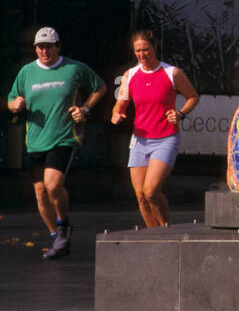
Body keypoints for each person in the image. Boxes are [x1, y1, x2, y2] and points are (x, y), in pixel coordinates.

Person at [6, 27, 106, 259]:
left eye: (49, 46)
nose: (44, 50)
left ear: (58, 46)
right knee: (40, 193)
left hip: (63, 137)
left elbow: (99, 87)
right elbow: (12, 99)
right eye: (40, 46)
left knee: (52, 185)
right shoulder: (27, 72)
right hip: (35, 141)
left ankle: (63, 224)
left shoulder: (74, 68)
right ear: (35, 49)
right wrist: (15, 104)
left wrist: (85, 109)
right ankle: (57, 238)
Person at [112, 30, 200, 227]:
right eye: (138, 51)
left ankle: (165, 232)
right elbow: (119, 106)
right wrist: (116, 115)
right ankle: (153, 237)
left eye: (146, 50)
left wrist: (180, 114)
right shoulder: (129, 75)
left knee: (151, 191)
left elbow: (193, 97)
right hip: (140, 140)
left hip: (165, 138)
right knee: (141, 197)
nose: (142, 55)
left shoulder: (172, 73)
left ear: (154, 48)